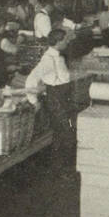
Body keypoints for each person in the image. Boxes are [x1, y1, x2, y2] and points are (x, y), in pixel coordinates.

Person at [24, 28, 75, 167]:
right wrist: (34, 101)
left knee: (64, 132)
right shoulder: (48, 60)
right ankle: (61, 167)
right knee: (65, 133)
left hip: (63, 98)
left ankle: (61, 165)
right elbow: (31, 80)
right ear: (58, 41)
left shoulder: (58, 56)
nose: (67, 42)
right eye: (65, 39)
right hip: (56, 100)